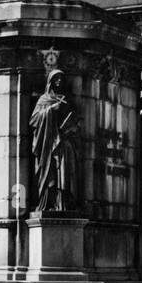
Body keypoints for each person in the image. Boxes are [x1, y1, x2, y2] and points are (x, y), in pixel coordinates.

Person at [30, 69, 81, 212]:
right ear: (50, 81)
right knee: (49, 176)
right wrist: (52, 109)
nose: (59, 81)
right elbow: (34, 120)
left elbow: (75, 120)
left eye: (61, 79)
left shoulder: (67, 99)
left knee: (64, 176)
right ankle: (47, 204)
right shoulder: (43, 99)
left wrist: (72, 128)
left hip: (64, 142)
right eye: (56, 78)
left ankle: (62, 205)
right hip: (47, 145)